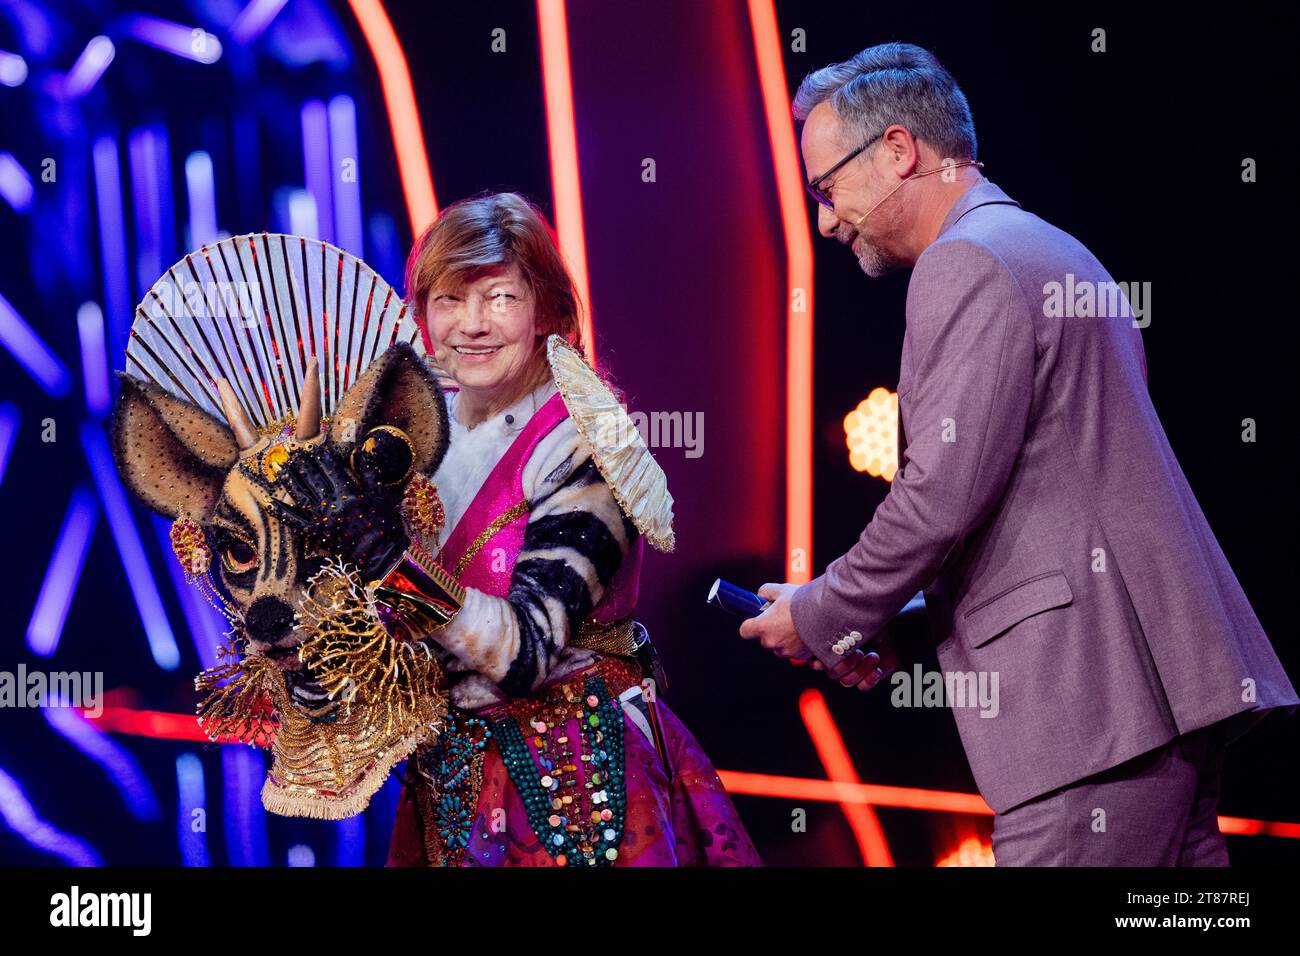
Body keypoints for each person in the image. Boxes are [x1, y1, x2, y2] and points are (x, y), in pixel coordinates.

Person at [738, 42, 1297, 865]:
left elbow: (939, 497)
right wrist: (904, 620)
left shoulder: (965, 262)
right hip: (1147, 699)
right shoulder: (1044, 247)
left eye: (827, 189)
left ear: (899, 150)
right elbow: (1054, 502)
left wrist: (826, 613)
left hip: (1089, 713)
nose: (825, 221)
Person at [290, 190, 760, 866]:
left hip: (577, 779)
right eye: (450, 299)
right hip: (450, 781)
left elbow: (524, 654)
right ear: (421, 314)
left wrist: (384, 556)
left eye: (500, 298)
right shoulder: (411, 434)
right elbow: (386, 644)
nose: (472, 324)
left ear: (546, 310)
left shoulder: (585, 441)